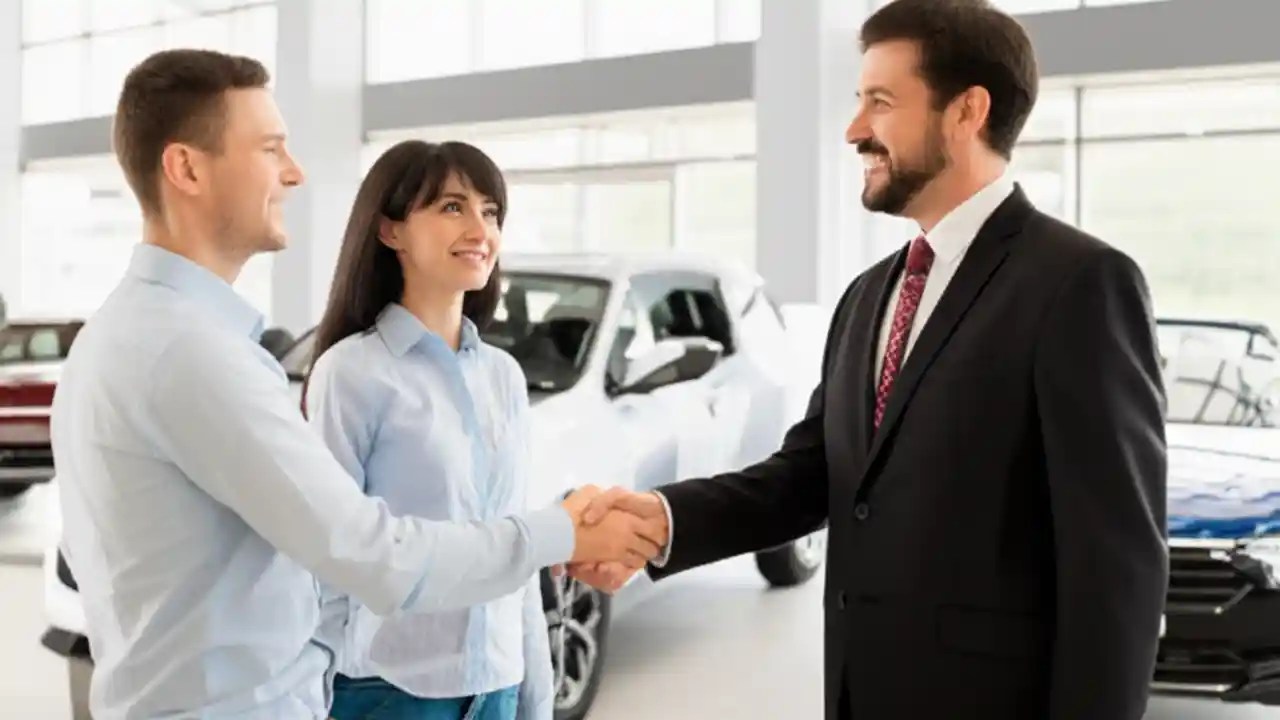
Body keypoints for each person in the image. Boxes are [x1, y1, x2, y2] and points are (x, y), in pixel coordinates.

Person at [574, 1, 1169, 718]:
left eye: (880, 102)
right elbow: (812, 476)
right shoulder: (868, 295)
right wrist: (660, 521)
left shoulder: (1079, 284)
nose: (854, 129)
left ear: (967, 111)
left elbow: (1116, 572)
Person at [49, 49, 663, 720]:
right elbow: (371, 556)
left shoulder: (131, 337)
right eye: (270, 149)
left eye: (490, 212)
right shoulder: (191, 354)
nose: (294, 172)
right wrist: (563, 533)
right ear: (186, 168)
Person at [302, 140, 551, 720]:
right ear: (391, 231)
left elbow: (518, 550)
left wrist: (536, 699)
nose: (480, 230)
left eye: (491, 212)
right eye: (452, 207)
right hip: (388, 692)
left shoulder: (504, 376)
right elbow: (324, 564)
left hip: (499, 685)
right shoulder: (352, 372)